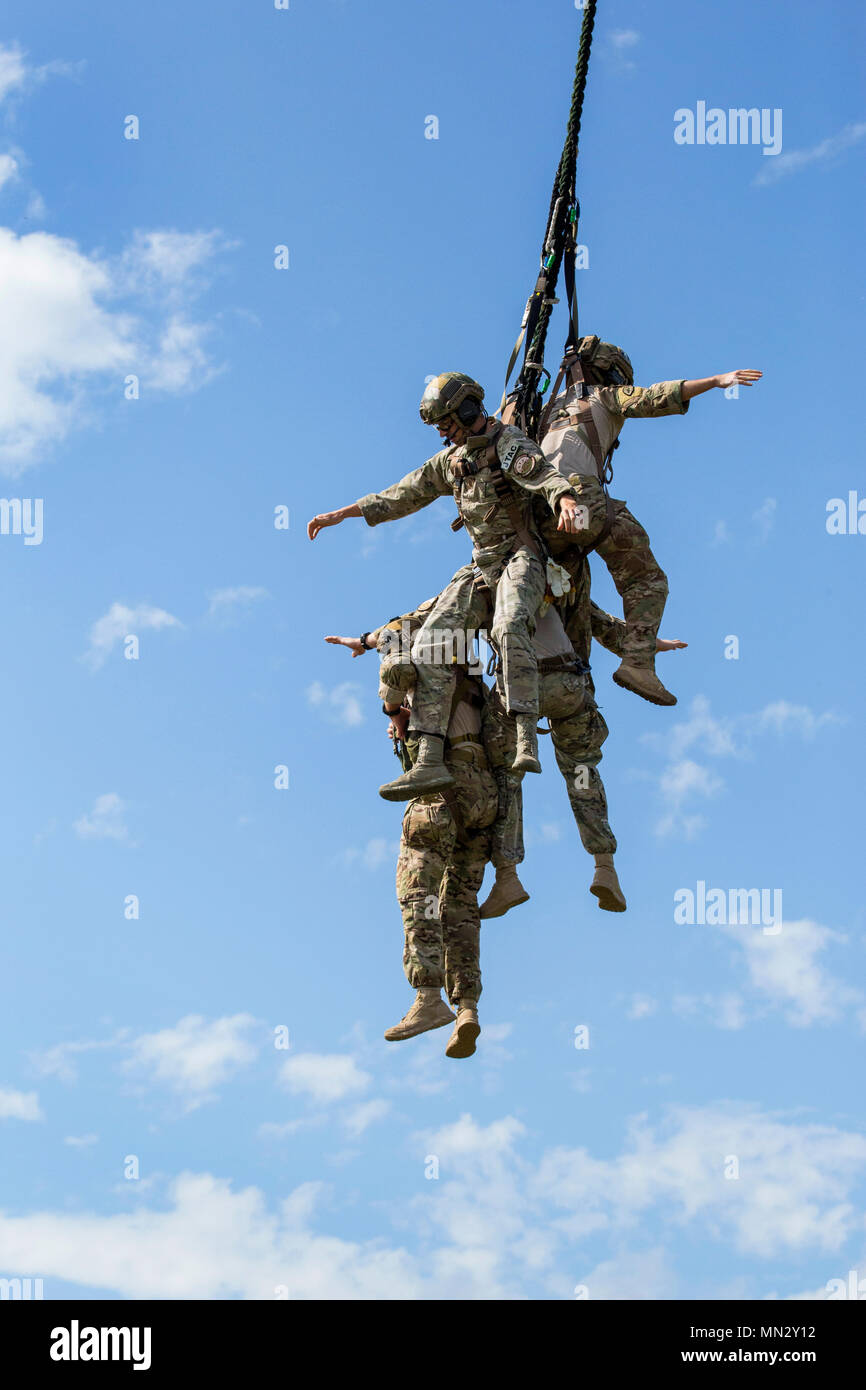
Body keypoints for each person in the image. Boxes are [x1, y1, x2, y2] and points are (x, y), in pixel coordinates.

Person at [308, 372, 583, 797]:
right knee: (430, 645)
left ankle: (526, 733)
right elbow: (403, 493)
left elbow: (542, 476)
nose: (442, 432)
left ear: (468, 410)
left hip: (520, 558)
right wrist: (342, 514)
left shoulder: (506, 444)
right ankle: (429, 761)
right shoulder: (450, 462)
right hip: (480, 567)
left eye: (446, 422)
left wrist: (564, 498)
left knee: (509, 626)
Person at [535, 335, 761, 706]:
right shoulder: (603, 395)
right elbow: (653, 397)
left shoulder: (545, 411)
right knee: (647, 578)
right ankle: (638, 662)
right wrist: (717, 381)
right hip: (579, 499)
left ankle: (632, 645)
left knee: (573, 596)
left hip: (539, 512)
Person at [326, 607, 506, 1060]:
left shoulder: (420, 664)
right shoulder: (475, 680)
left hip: (439, 791)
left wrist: (391, 705)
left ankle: (428, 997)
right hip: (484, 794)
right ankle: (467, 1006)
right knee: (460, 905)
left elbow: (392, 651)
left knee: (418, 890)